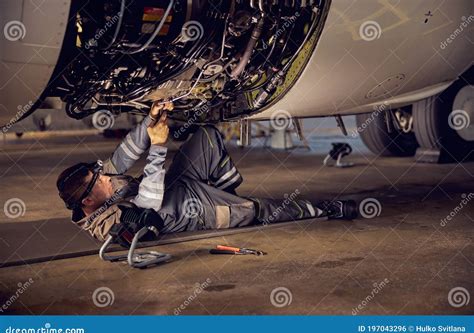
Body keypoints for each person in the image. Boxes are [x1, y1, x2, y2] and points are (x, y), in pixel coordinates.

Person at [56, 102, 358, 242]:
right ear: (87, 201)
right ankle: (322, 210)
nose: (106, 176)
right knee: (257, 210)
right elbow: (149, 203)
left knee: (208, 137)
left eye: (100, 173)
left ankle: (225, 193)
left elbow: (124, 154)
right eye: (99, 180)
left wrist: (149, 122)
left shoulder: (97, 188)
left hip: (180, 185)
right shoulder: (112, 225)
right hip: (193, 211)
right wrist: (159, 147)